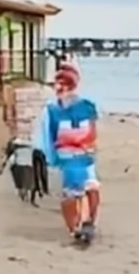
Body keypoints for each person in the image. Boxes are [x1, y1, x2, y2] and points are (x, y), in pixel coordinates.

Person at [42, 65, 100, 240]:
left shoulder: (55, 109)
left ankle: (79, 225)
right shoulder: (56, 109)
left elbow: (49, 135)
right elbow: (92, 131)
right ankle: (83, 223)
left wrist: (52, 155)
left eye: (62, 84)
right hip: (79, 153)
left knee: (79, 190)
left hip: (75, 153)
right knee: (86, 188)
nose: (59, 88)